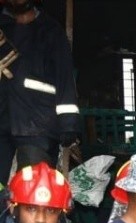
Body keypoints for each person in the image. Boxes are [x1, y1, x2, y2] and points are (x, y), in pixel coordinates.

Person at [0, 0, 80, 179]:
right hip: (3, 118)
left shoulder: (50, 31)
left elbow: (64, 77)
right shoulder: (2, 27)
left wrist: (68, 123)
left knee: (34, 185)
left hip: (38, 124)